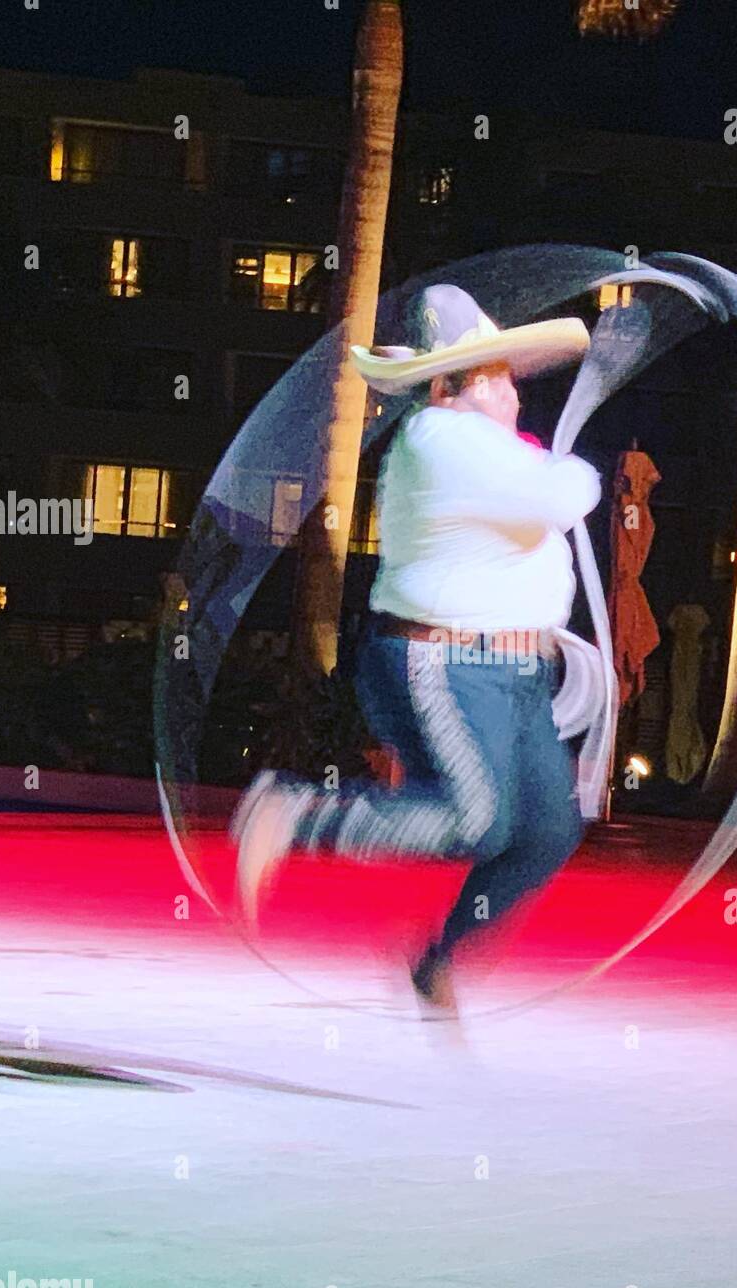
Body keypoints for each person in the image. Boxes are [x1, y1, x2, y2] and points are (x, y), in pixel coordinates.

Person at [233, 284, 601, 1012]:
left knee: (548, 830)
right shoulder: (443, 438)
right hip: (446, 661)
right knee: (475, 820)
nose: (516, 396)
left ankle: (441, 960)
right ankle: (295, 813)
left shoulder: (486, 448)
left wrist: (545, 470)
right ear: (457, 384)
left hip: (512, 671)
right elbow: (564, 497)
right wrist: (572, 470)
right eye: (501, 380)